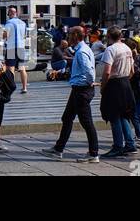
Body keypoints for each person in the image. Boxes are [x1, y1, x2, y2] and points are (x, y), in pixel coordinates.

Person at [40, 26, 100, 163]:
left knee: (87, 122)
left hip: (82, 90)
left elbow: (89, 71)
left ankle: (93, 153)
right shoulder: (82, 50)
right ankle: (58, 149)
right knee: (67, 118)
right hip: (77, 89)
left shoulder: (81, 52)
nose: (67, 37)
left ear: (76, 36)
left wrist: (90, 82)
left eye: (70, 34)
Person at [98, 28, 136, 158]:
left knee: (114, 116)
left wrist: (103, 87)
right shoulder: (127, 48)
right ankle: (130, 144)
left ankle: (118, 146)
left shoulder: (111, 49)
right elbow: (132, 71)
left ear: (109, 36)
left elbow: (107, 71)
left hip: (114, 84)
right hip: (126, 82)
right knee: (124, 115)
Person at [3, 6, 30, 94]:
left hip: (11, 47)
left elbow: (5, 35)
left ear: (10, 13)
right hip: (21, 47)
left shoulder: (9, 22)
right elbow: (25, 35)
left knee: (11, 68)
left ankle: (11, 88)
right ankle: (24, 87)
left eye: (8, 13)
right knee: (22, 68)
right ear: (16, 13)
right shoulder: (23, 23)